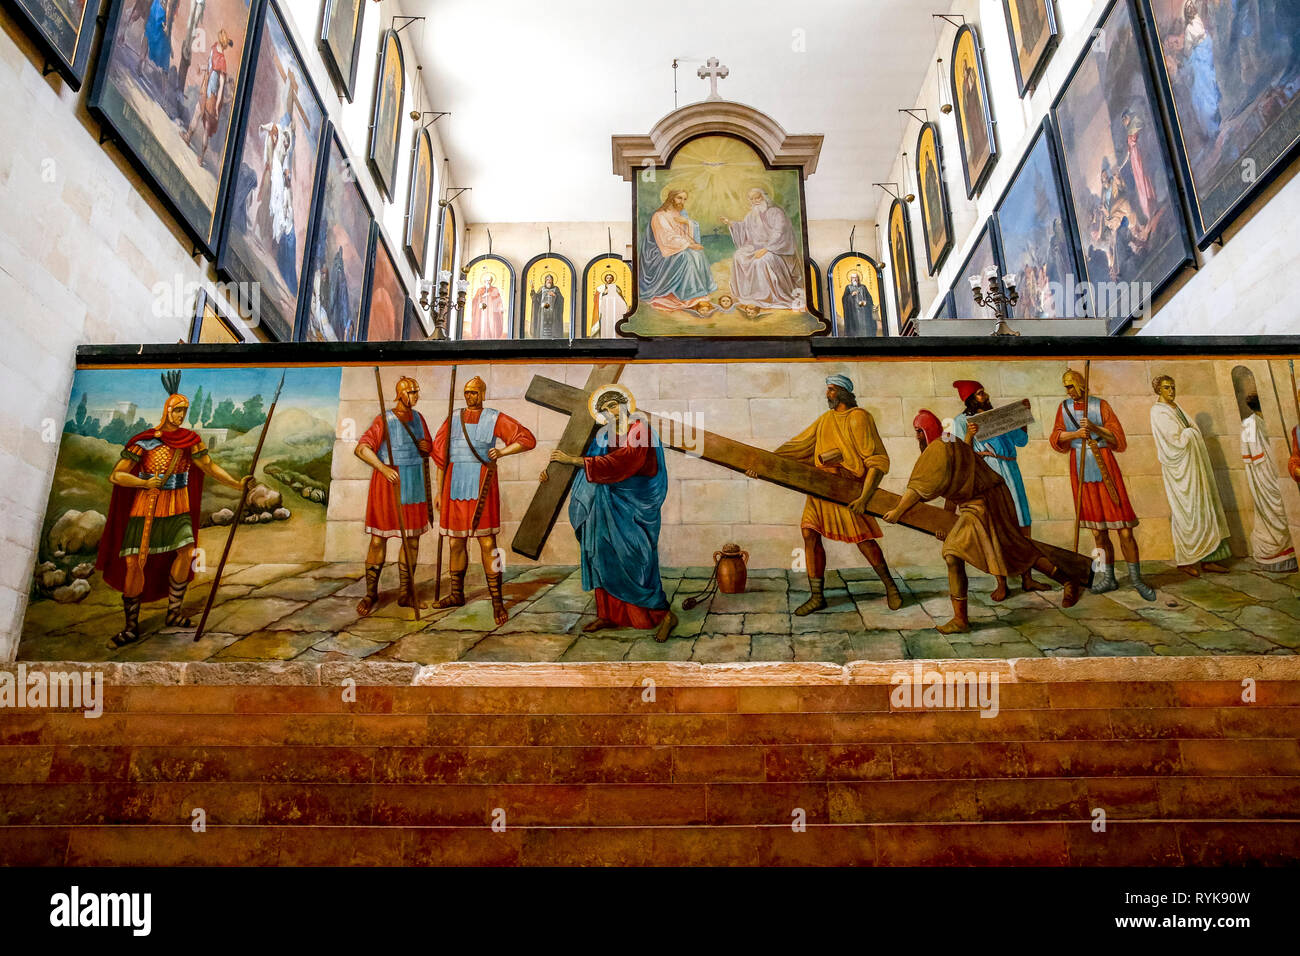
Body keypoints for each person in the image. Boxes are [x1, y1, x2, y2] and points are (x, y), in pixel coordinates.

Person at [884, 411, 1082, 634]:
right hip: (990, 497)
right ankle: (1068, 580)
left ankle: (960, 620)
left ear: (927, 431)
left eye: (919, 431)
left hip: (983, 501)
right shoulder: (950, 443)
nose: (916, 436)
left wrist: (898, 511)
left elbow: (920, 487)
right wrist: (947, 523)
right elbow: (954, 482)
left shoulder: (939, 448)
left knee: (952, 553)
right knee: (1016, 550)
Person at [97, 374, 251, 648]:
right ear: (166, 410)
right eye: (177, 410)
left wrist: (237, 484)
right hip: (145, 506)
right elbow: (116, 476)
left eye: (184, 411)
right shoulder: (144, 441)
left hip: (177, 504)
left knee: (186, 552)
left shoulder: (190, 440)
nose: (181, 415)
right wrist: (143, 481)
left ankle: (174, 612)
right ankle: (131, 626)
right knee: (135, 562)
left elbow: (208, 466)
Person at [757, 373, 904, 613]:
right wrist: (764, 464)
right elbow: (798, 446)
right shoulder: (825, 419)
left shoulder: (859, 418)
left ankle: (891, 587)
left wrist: (864, 498)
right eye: (828, 389)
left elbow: (876, 461)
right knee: (809, 534)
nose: (828, 394)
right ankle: (817, 596)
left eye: (833, 389)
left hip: (846, 490)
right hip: (820, 487)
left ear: (845, 393)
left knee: (864, 540)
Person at [542, 385, 676, 642]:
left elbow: (625, 461)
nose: (611, 412)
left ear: (625, 404)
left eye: (613, 405)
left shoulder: (641, 431)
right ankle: (609, 614)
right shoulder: (604, 435)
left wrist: (573, 461)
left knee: (636, 559)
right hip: (605, 506)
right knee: (602, 554)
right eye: (605, 409)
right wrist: (553, 472)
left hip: (635, 507)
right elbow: (591, 463)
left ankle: (662, 614)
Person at [431, 376, 536, 625]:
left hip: (482, 484)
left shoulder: (493, 417)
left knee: (488, 544)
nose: (470, 396)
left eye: (475, 392)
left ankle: (497, 600)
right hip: (453, 485)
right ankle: (457, 594)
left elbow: (526, 439)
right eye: (467, 392)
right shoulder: (453, 417)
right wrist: (438, 491)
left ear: (483, 393)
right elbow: (440, 456)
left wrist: (502, 451)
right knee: (456, 543)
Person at [1049, 368, 1156, 599]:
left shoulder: (1100, 405)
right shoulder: (1064, 408)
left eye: (1070, 385)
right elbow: (1056, 438)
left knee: (1125, 531)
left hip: (1105, 467)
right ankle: (1109, 578)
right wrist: (1076, 433)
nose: (1067, 391)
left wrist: (1096, 429)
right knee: (1098, 533)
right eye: (1065, 386)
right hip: (1080, 471)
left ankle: (1137, 579)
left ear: (1080, 384)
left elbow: (1119, 439)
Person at [950, 380, 1049, 598]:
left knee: (1022, 522)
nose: (984, 396)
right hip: (988, 473)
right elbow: (960, 454)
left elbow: (1021, 441)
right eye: (979, 394)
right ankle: (1001, 582)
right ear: (969, 399)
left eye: (983, 392)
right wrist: (969, 436)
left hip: (1011, 471)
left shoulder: (998, 416)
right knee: (996, 527)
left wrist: (1022, 418)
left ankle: (1027, 578)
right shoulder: (960, 421)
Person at [354, 376, 434, 615]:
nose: (416, 396)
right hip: (388, 485)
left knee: (411, 540)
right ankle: (370, 594)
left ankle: (405, 594)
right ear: (401, 395)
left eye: (417, 392)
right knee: (379, 540)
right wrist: (383, 468)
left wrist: (426, 447)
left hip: (414, 483)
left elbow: (428, 446)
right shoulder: (384, 420)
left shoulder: (419, 419)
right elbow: (361, 448)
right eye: (412, 393)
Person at [1150, 375, 1231, 575]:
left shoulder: (1176, 408)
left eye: (1173, 387)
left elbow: (1190, 430)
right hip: (1180, 471)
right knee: (1187, 512)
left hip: (1195, 468)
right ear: (1159, 390)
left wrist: (1190, 432)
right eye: (1167, 388)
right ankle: (1187, 560)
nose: (1171, 391)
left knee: (1205, 508)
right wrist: (1190, 433)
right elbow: (1175, 441)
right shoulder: (1158, 412)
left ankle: (1209, 559)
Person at [1239, 393, 1296, 572]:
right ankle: (1273, 554)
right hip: (1262, 475)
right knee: (1271, 511)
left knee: (1284, 509)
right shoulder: (1248, 425)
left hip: (1276, 472)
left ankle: (1290, 551)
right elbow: (1249, 455)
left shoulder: (1271, 420)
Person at [640, 188, 717, 313]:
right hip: (659, 253)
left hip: (676, 247)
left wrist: (688, 224)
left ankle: (697, 294)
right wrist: (689, 245)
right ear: (671, 198)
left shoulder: (679, 214)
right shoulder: (659, 215)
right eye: (679, 198)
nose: (682, 201)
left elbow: (683, 234)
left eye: (684, 199)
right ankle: (690, 296)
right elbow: (666, 238)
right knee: (685, 257)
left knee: (697, 253)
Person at [722, 188, 801, 309]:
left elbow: (779, 233)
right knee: (738, 255)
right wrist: (731, 224)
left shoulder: (776, 212)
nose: (755, 201)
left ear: (764, 197)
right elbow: (744, 228)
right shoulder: (751, 215)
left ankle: (767, 296)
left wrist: (766, 249)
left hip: (776, 249)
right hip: (756, 247)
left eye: (757, 197)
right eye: (752, 199)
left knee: (761, 261)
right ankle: (750, 293)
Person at [182, 30, 236, 164]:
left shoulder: (218, 55)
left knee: (202, 121)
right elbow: (213, 71)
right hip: (208, 91)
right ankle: (193, 145)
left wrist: (217, 105)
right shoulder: (217, 54)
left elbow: (222, 84)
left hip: (210, 92)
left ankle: (196, 148)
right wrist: (202, 67)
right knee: (202, 120)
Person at [469, 272, 505, 339]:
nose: (487, 282)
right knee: (483, 323)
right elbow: (475, 300)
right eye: (486, 280)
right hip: (483, 311)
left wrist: (500, 307)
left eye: (489, 280)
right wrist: (482, 297)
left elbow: (498, 300)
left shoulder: (495, 289)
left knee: (491, 323)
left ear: (491, 281)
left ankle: (492, 337)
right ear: (484, 281)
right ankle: (481, 337)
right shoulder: (480, 290)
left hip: (492, 311)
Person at [840, 271, 876, 337]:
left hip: (864, 311)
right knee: (855, 326)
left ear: (858, 278)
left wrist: (866, 302)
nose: (854, 279)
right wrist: (851, 295)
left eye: (856, 277)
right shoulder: (848, 287)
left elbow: (869, 298)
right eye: (853, 278)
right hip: (853, 311)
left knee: (864, 326)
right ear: (851, 279)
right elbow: (844, 299)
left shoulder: (863, 287)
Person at [530, 274, 565, 338]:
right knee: (543, 326)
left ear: (552, 281)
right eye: (547, 279)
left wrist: (554, 295)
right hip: (543, 312)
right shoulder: (542, 289)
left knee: (552, 327)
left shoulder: (556, 289)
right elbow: (535, 298)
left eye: (550, 279)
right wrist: (532, 289)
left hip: (552, 312)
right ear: (545, 281)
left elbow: (561, 299)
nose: (549, 281)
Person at [593, 271, 627, 338]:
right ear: (605, 279)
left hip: (614, 309)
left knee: (613, 322)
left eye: (610, 278)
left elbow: (621, 298)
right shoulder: (600, 288)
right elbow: (595, 299)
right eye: (608, 278)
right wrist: (603, 293)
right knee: (605, 324)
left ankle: (615, 336)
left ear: (613, 279)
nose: (609, 279)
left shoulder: (616, 288)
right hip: (604, 309)